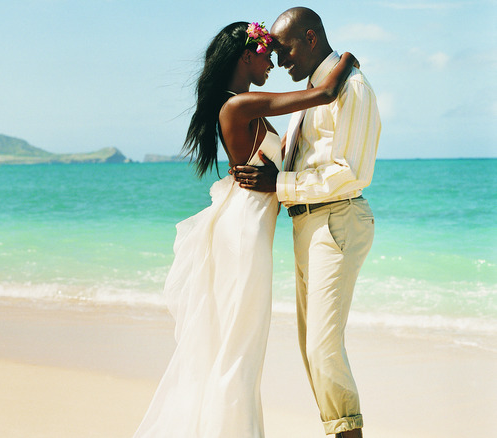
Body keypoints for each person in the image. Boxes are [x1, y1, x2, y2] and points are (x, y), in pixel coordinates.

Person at [133, 21, 356, 438]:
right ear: (245, 56)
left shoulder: (243, 103)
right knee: (239, 349)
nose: (272, 63)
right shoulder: (240, 106)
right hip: (242, 234)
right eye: (265, 55)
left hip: (248, 230)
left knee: (242, 348)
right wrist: (347, 60)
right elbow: (325, 93)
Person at [233, 8, 381, 438]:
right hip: (308, 224)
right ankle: (338, 431)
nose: (280, 62)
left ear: (311, 37)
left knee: (322, 346)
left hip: (336, 220)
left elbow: (352, 172)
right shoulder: (315, 91)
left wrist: (279, 183)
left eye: (286, 49)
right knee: (310, 348)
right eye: (273, 53)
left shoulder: (350, 87)